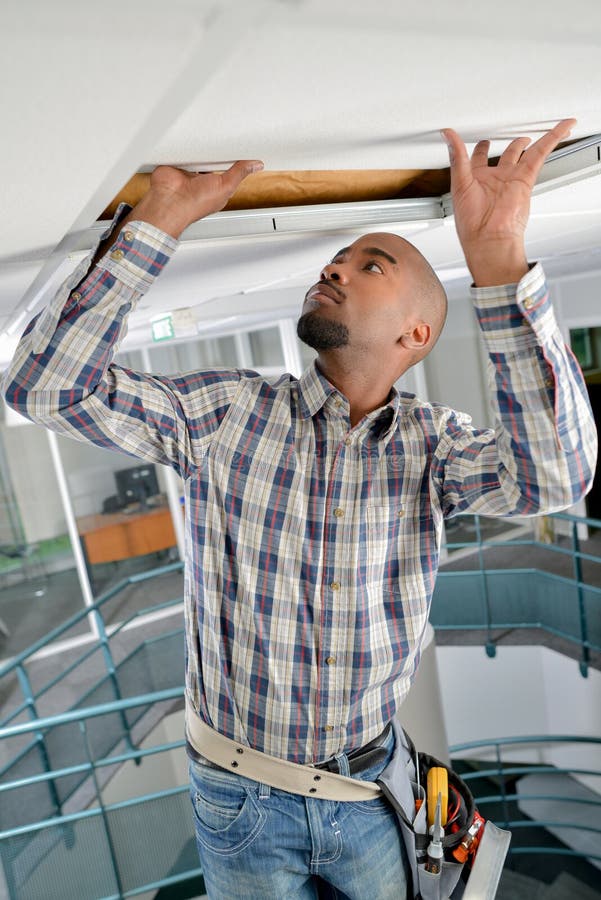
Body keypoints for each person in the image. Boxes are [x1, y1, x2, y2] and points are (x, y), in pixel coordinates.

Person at [3, 121, 597, 899]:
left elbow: (557, 475)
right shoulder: (229, 412)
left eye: (369, 265)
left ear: (414, 334)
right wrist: (159, 222)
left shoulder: (431, 446)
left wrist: (496, 262)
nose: (335, 267)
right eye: (337, 259)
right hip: (239, 795)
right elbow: (43, 388)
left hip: (373, 791)